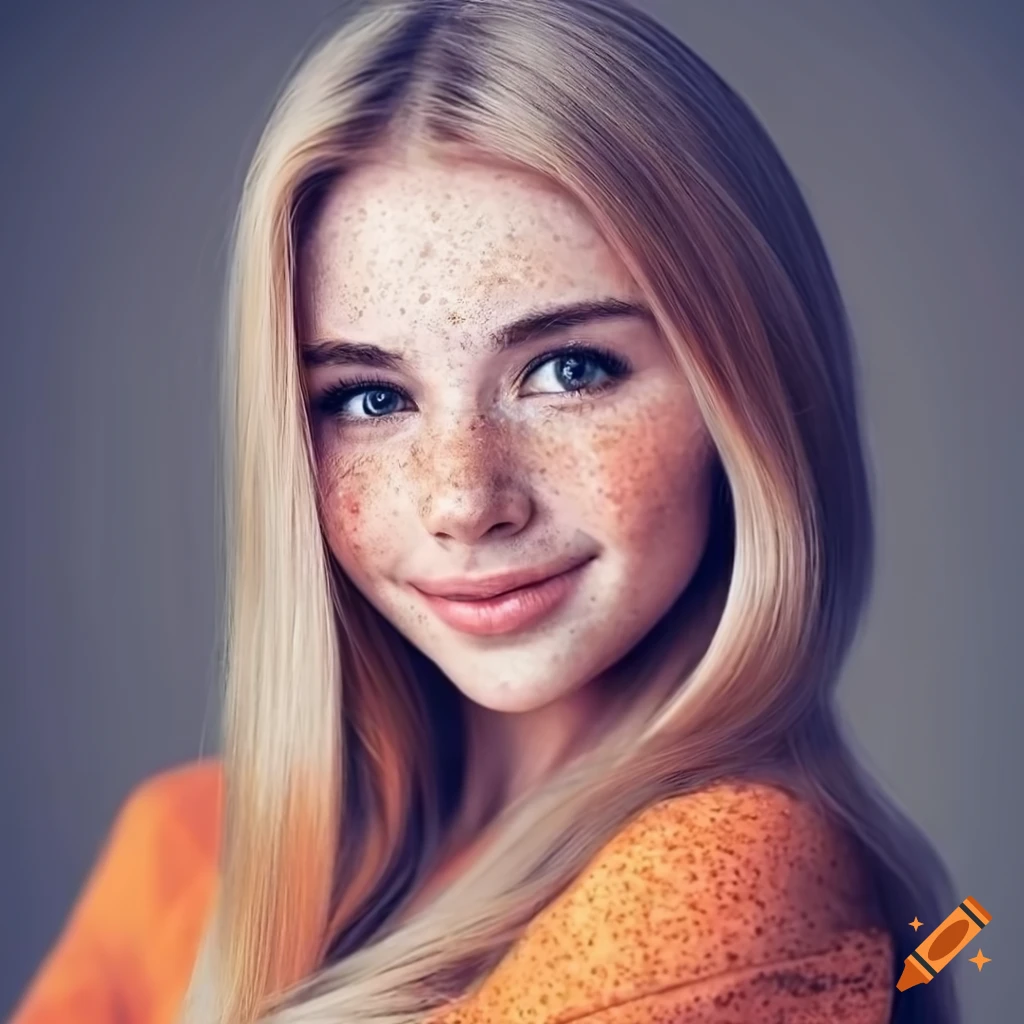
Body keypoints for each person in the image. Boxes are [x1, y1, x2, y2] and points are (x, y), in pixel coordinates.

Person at [11, 1, 960, 1022]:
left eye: (569, 369)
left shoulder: (733, 878)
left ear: (747, 387)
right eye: (368, 398)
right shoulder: (186, 846)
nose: (465, 500)